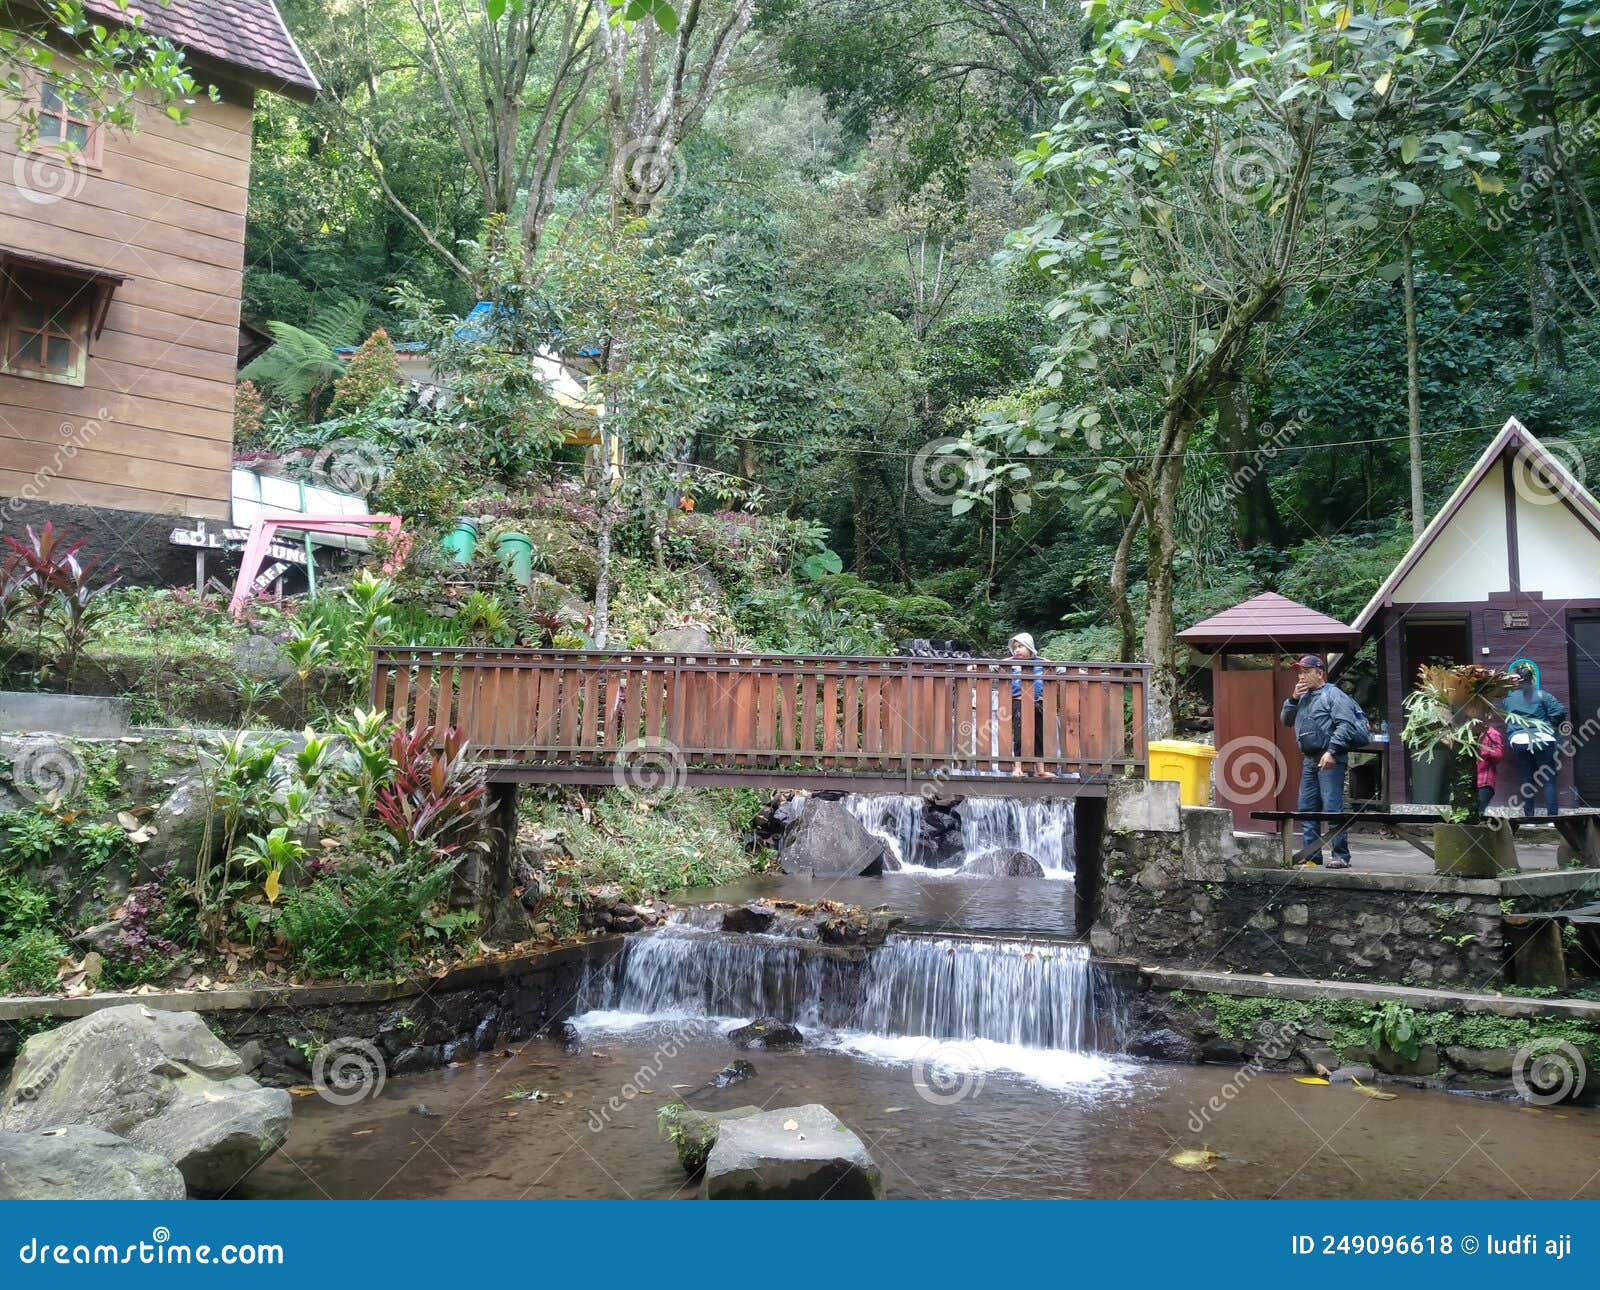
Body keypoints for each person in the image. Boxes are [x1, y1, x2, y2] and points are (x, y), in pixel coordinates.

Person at [1279, 654, 1366, 868]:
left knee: (1332, 808)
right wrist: (1292, 700)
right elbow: (1286, 721)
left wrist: (1332, 751)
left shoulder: (1334, 695)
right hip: (1309, 759)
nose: (1301, 676)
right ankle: (1312, 856)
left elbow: (1345, 725)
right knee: (1307, 808)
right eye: (1299, 672)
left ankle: (1340, 856)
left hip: (1331, 758)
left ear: (1319, 673)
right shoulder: (1302, 697)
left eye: (1306, 672)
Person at [1502, 661, 1569, 817]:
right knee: (1548, 779)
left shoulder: (1508, 699)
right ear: (1532, 679)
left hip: (1519, 740)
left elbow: (1506, 716)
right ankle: (1553, 818)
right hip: (1543, 738)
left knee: (1526, 779)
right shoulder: (1542, 695)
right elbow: (1559, 711)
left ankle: (1529, 817)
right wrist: (1550, 726)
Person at [1008, 631, 1046, 777]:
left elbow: (1061, 669)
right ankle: (1017, 767)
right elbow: (992, 667)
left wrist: (1086, 672)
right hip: (1018, 702)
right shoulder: (1010, 662)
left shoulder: (1042, 662)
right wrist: (972, 667)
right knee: (1019, 736)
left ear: (1030, 647)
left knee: (1039, 735)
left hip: (1038, 703)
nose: (1017, 649)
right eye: (1015, 647)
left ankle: (1040, 769)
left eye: (1020, 646)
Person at [1475, 719, 1504, 816]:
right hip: (1470, 781)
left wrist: (1482, 750)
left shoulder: (1492, 733)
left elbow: (1498, 755)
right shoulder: (1469, 733)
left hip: (1484, 782)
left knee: (1479, 812)